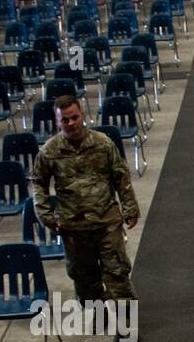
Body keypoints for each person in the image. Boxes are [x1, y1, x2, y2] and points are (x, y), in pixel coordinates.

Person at [31, 95, 139, 304]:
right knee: (85, 280)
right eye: (65, 120)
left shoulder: (102, 143)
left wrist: (130, 209)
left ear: (82, 115)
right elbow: (38, 183)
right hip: (73, 227)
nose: (71, 123)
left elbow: (121, 177)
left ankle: (128, 325)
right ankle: (100, 318)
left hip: (106, 221)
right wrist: (46, 217)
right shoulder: (49, 151)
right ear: (57, 121)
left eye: (74, 117)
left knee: (117, 274)